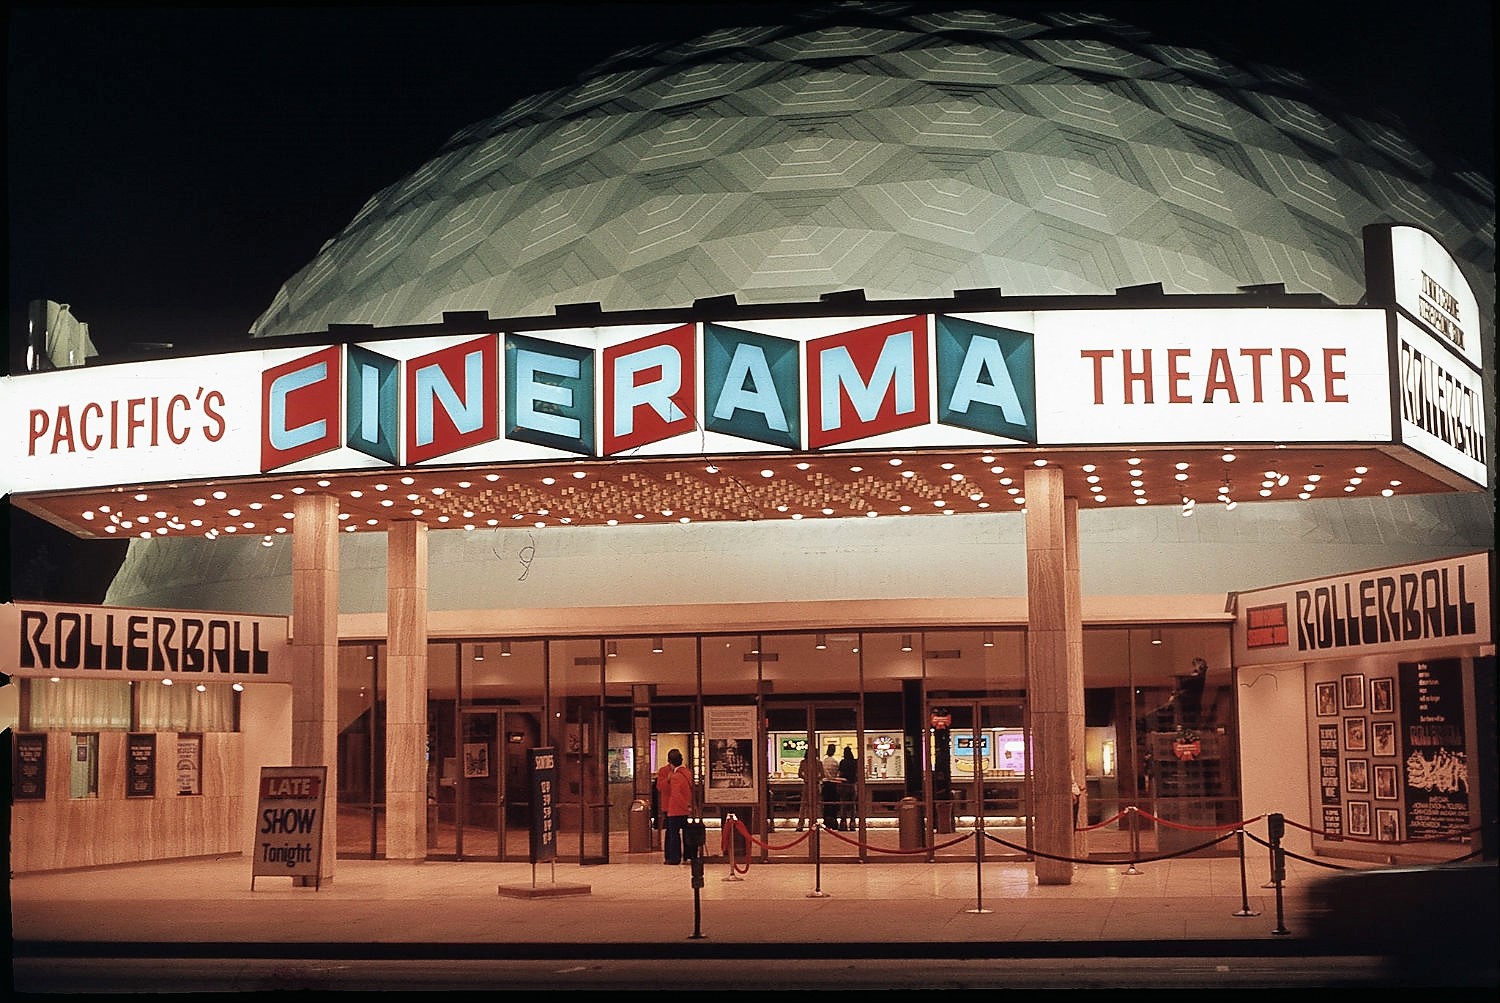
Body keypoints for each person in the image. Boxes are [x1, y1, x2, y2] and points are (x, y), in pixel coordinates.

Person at [655, 748, 694, 865]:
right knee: (672, 832)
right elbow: (660, 787)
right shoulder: (664, 771)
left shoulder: (679, 774)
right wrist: (667, 780)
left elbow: (676, 792)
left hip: (675, 807)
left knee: (674, 833)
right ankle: (674, 856)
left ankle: (675, 857)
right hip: (671, 805)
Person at [795, 748, 822, 831]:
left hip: (806, 785)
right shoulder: (818, 763)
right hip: (815, 785)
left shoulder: (803, 762)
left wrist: (806, 778)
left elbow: (799, 774)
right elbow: (822, 775)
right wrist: (816, 779)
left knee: (803, 805)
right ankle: (813, 823)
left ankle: (800, 825)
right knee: (815, 805)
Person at [837, 745, 859, 831]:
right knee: (853, 804)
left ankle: (843, 823)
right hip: (853, 785)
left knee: (843, 804)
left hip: (844, 785)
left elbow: (840, 774)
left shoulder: (843, 762)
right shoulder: (855, 762)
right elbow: (857, 773)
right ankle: (852, 823)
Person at [820, 742, 840, 829]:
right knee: (833, 804)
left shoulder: (824, 762)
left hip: (825, 784)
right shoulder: (835, 762)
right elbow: (838, 773)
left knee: (826, 804)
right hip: (833, 784)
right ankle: (834, 821)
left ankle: (826, 821)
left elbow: (822, 774)